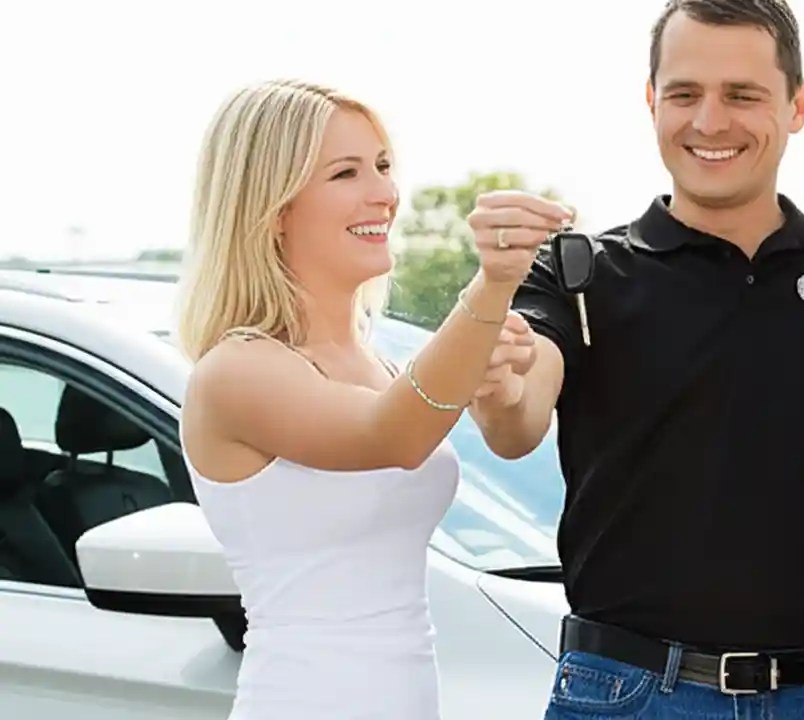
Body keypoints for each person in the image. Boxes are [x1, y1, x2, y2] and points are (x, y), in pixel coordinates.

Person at [467, 1, 804, 717]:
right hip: (629, 696)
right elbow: (514, 421)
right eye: (684, 94)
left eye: (742, 95)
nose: (710, 121)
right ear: (652, 103)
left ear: (798, 105)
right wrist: (493, 376)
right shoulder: (578, 271)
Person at [175, 78, 568, 719]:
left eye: (383, 167)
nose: (384, 193)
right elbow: (395, 437)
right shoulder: (237, 369)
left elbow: (509, 436)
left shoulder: (380, 362)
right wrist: (491, 286)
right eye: (346, 173)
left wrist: (495, 378)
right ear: (273, 208)